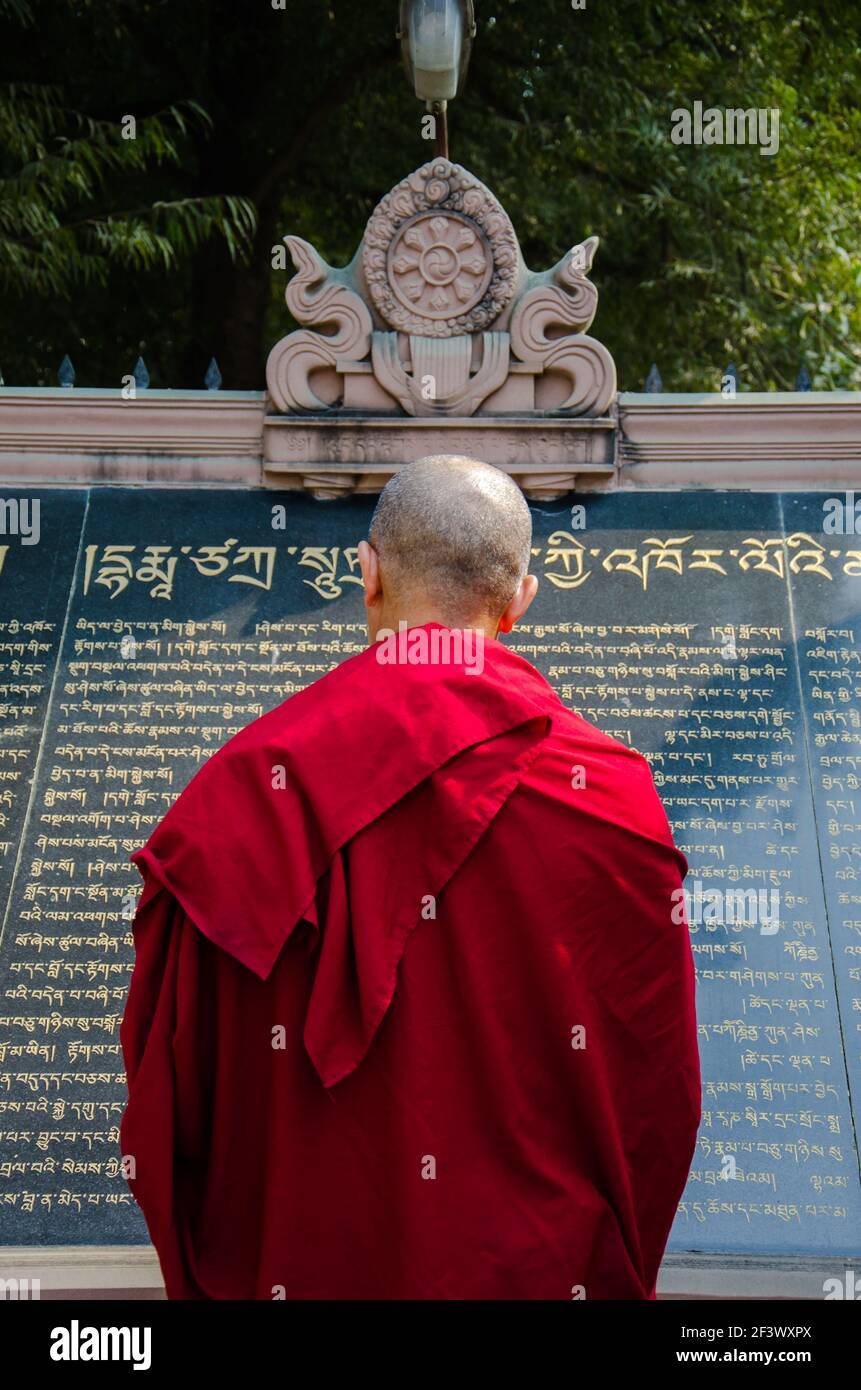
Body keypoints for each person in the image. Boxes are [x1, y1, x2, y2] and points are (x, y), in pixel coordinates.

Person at [120, 453, 700, 1300]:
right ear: (518, 601)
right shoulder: (608, 796)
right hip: (530, 1273)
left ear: (369, 572)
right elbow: (658, 1093)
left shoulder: (246, 787)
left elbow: (172, 1082)